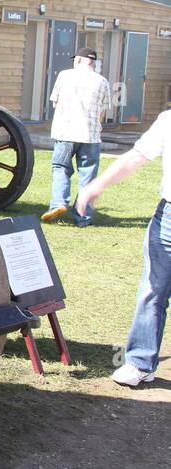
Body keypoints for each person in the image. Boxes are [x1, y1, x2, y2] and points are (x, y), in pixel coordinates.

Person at [78, 110, 170, 386]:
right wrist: (96, 186)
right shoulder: (168, 120)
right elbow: (136, 157)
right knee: (152, 291)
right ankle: (140, 364)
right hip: (167, 220)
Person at [41, 47, 111, 227]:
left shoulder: (65, 76)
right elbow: (103, 111)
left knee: (61, 168)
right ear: (93, 62)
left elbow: (55, 103)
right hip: (91, 136)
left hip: (66, 132)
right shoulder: (102, 81)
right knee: (88, 176)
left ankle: (58, 204)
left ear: (78, 60)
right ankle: (83, 217)